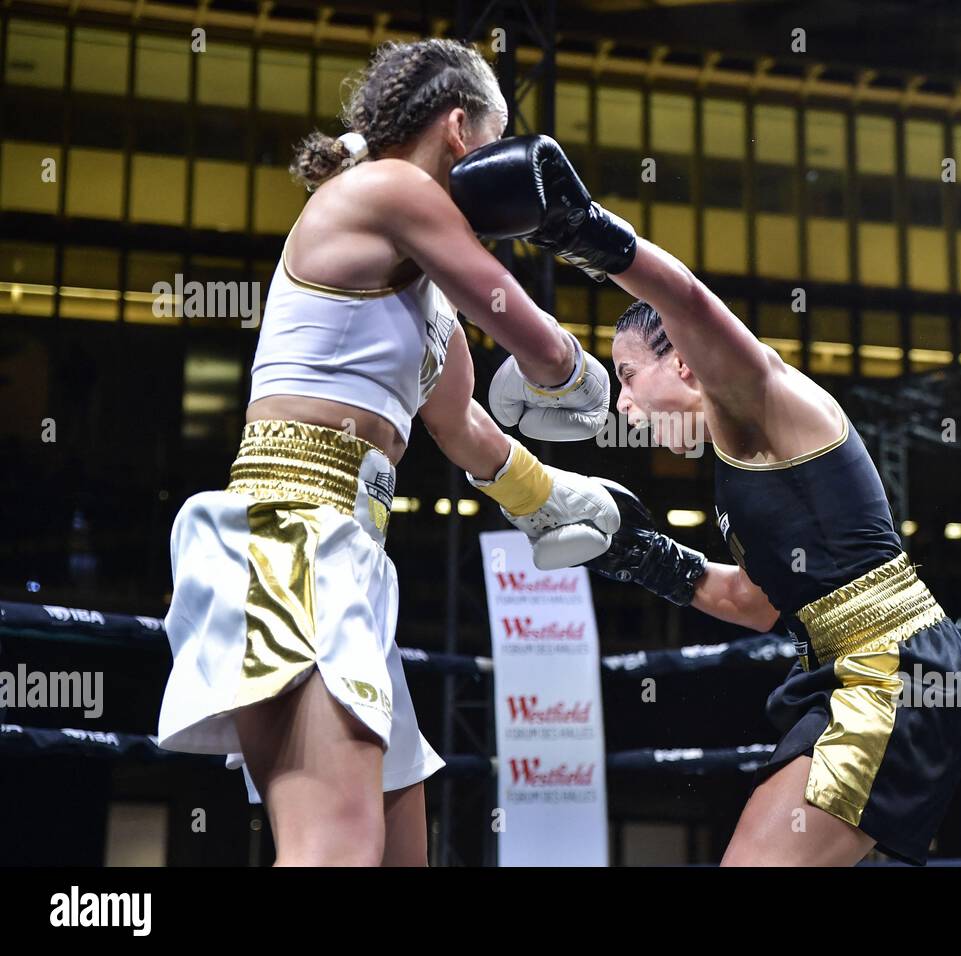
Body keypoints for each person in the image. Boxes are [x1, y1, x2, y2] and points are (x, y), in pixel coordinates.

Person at [452, 135, 961, 867]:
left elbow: (687, 299)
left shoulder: (758, 397)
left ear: (687, 363)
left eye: (631, 375)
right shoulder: (742, 459)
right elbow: (759, 604)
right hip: (854, 668)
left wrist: (583, 231)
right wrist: (646, 556)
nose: (627, 404)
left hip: (888, 669)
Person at [157, 41, 617, 867]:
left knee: (402, 856)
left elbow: (463, 429)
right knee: (335, 852)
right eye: (495, 137)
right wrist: (578, 369)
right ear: (458, 131)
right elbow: (528, 333)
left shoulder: (426, 301)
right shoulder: (387, 189)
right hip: (290, 535)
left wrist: (550, 499)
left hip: (352, 558)